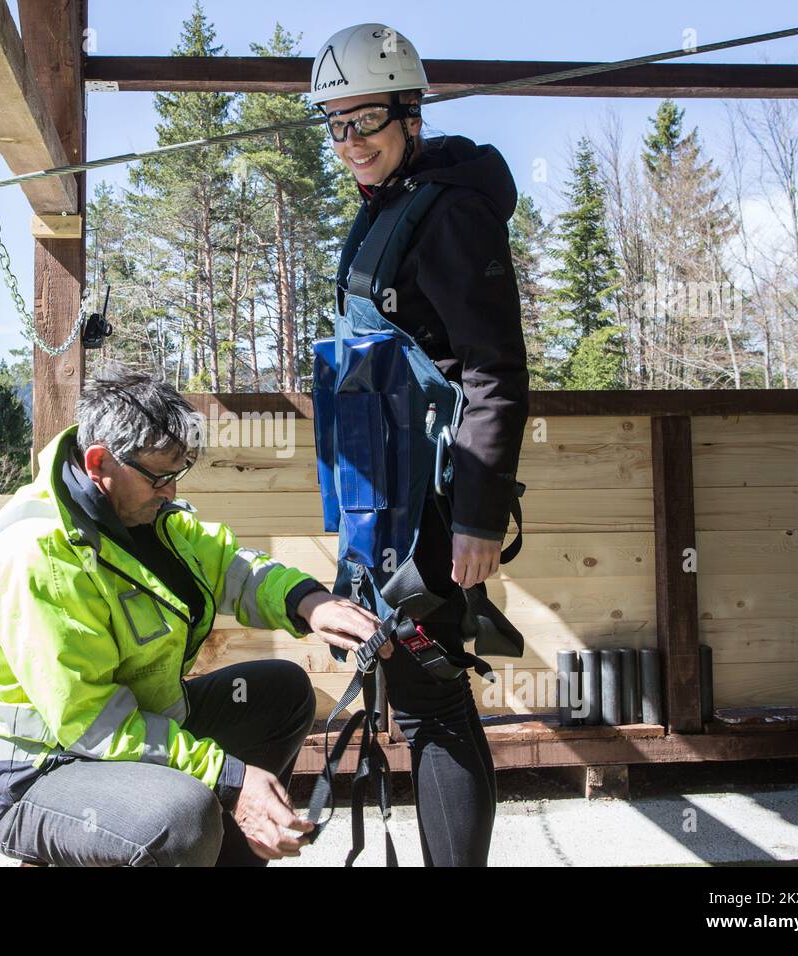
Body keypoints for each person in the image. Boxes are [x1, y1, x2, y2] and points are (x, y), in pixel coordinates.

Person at [0, 368, 383, 866]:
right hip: (37, 773)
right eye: (159, 476)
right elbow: (93, 725)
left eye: (177, 474)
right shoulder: (38, 559)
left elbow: (227, 566)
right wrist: (231, 778)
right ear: (99, 462)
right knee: (183, 818)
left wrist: (307, 601)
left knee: (283, 693)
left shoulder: (140, 511)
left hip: (137, 721)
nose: (171, 491)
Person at [311, 22, 531, 866]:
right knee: (415, 694)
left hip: (436, 503)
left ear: (411, 113)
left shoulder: (449, 215)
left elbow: (494, 370)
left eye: (365, 121)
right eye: (335, 126)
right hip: (384, 497)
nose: (350, 143)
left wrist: (476, 518)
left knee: (433, 702)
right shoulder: (385, 211)